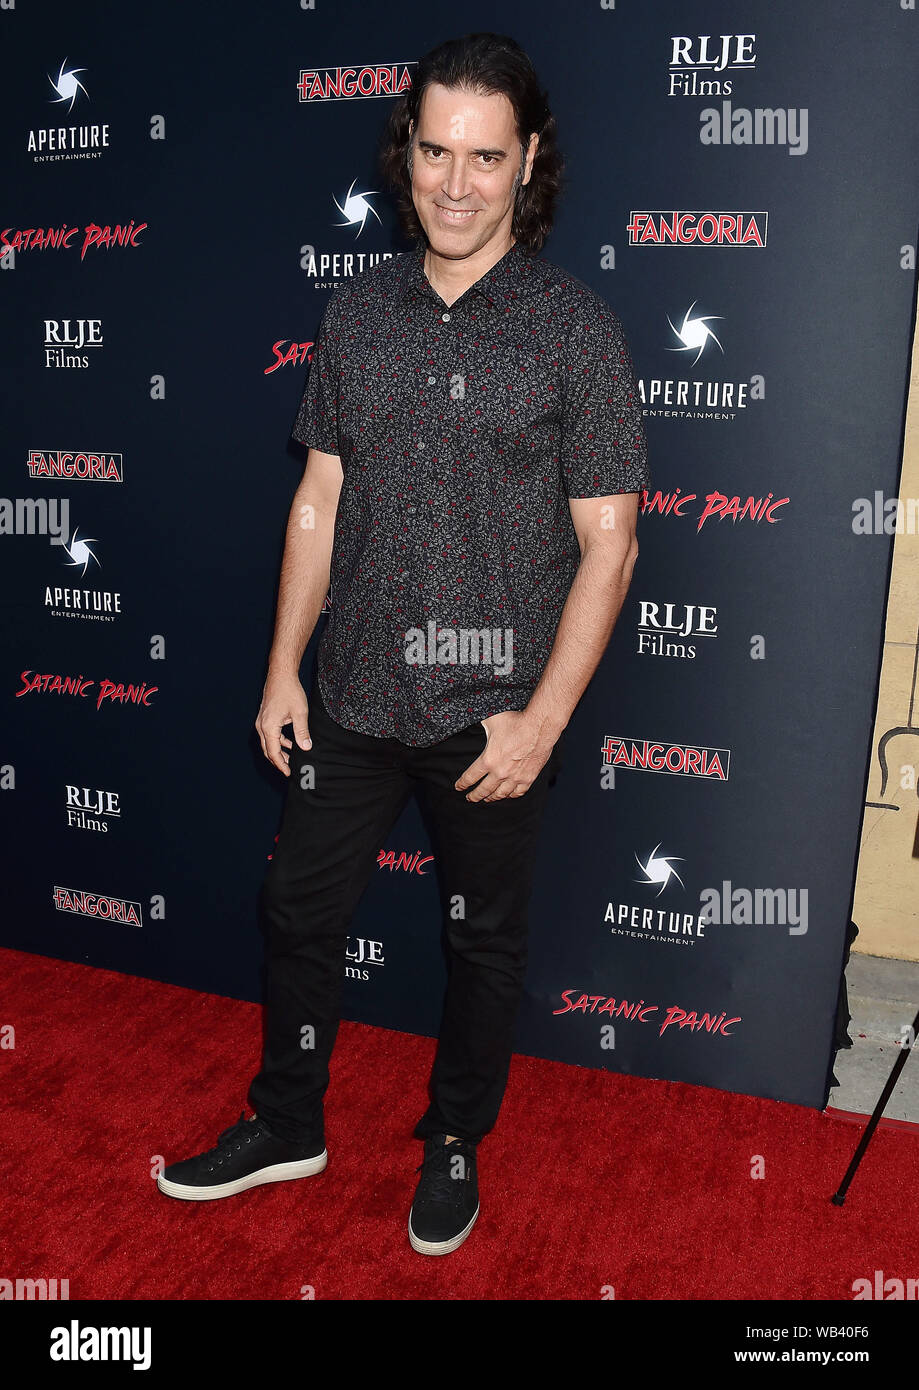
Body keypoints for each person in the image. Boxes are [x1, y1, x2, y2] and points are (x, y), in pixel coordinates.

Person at [157, 31, 650, 1257]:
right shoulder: (357, 310)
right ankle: (290, 1120)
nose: (457, 181)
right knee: (295, 908)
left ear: (526, 161)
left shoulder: (574, 328)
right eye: (436, 150)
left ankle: (452, 1139)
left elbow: (613, 545)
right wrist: (282, 665)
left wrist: (542, 719)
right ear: (408, 152)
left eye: (486, 156)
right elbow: (317, 498)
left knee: (482, 940)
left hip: (490, 709)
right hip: (357, 695)